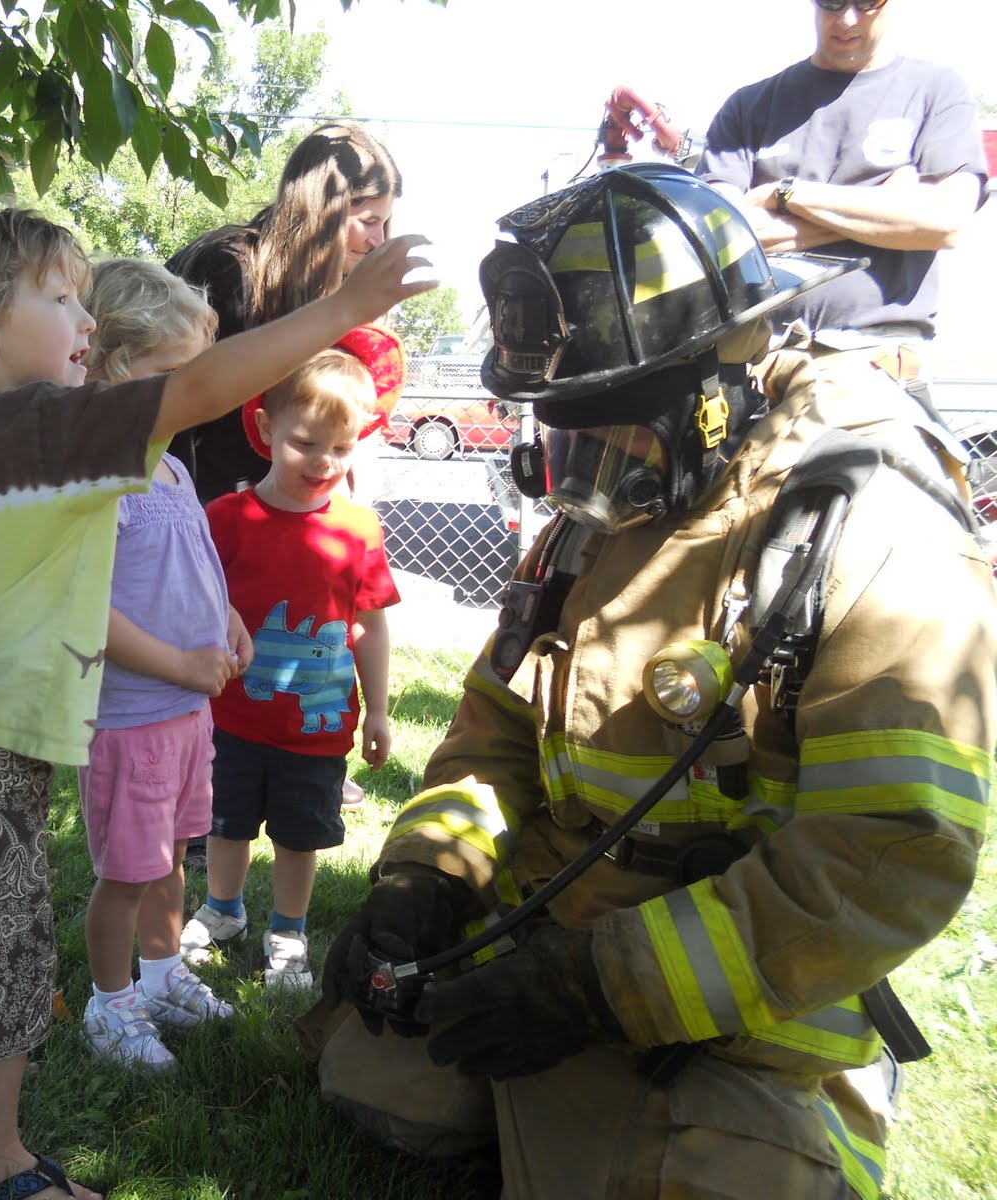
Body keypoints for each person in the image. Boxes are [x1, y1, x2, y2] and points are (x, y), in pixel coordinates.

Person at [306, 163, 997, 1198]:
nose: (578, 464)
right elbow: (491, 739)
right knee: (378, 1080)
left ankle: (807, 1138)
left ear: (715, 391)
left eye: (606, 422)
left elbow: (885, 847)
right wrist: (426, 876)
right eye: (561, 425)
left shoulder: (871, 529)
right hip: (560, 940)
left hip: (752, 1010)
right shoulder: (593, 531)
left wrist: (601, 987)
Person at [0, 209, 432, 1200]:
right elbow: (200, 386)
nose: (83, 315)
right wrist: (344, 306)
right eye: (61, 296)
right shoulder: (39, 425)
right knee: (4, 941)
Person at [168, 119, 404, 834]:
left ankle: (296, 762)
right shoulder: (229, 267)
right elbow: (186, 398)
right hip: (196, 504)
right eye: (367, 219)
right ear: (323, 207)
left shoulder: (334, 294)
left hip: (276, 512)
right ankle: (202, 800)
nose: (376, 238)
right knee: (204, 659)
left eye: (387, 223)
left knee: (275, 646)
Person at [179, 328, 403, 992]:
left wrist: (382, 712)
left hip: (318, 727)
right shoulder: (226, 517)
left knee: (300, 836)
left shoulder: (358, 530)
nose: (324, 461)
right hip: (231, 716)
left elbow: (372, 626)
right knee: (226, 822)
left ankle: (288, 931)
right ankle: (222, 910)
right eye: (306, 442)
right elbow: (194, 601)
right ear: (264, 425)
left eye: (342, 447)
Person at [73, 258, 249, 1070]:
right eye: (170, 375)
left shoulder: (172, 465)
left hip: (186, 714)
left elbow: (193, 566)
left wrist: (232, 621)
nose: (191, 394)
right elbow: (83, 610)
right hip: (131, 720)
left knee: (175, 852)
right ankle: (110, 1005)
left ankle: (163, 971)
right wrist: (178, 664)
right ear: (110, 370)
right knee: (126, 871)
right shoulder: (99, 480)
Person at [695, 0, 986, 368]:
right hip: (754, 357)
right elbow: (718, 241)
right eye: (832, 2)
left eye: (867, 3)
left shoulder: (935, 91)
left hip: (874, 358)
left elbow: (944, 224)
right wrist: (885, 207)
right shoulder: (748, 105)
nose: (846, 19)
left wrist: (783, 195)